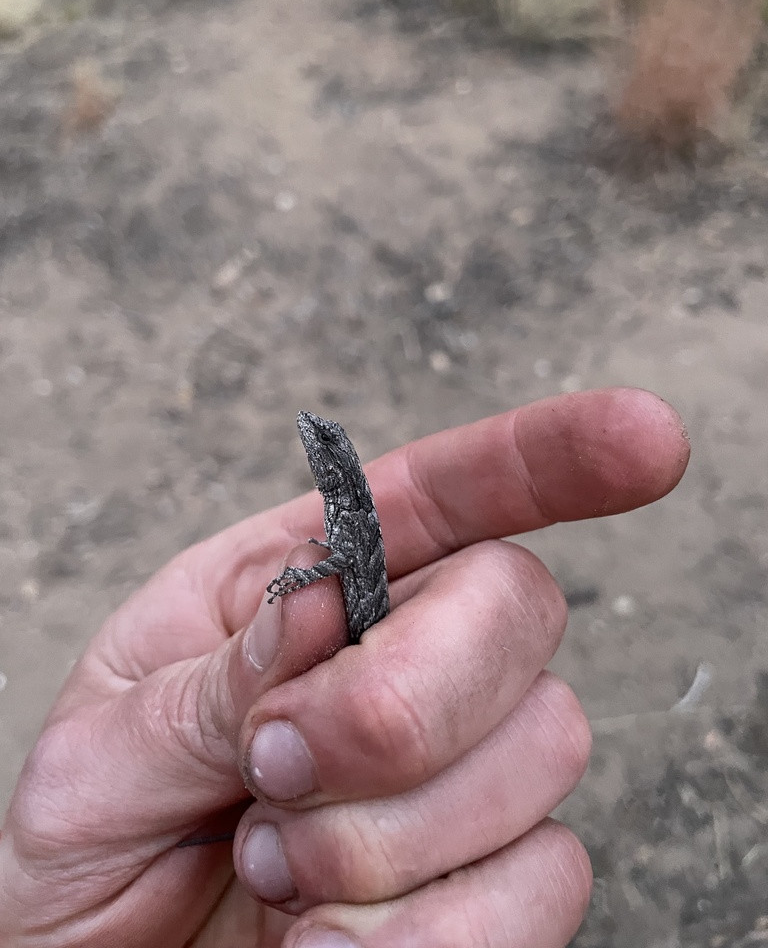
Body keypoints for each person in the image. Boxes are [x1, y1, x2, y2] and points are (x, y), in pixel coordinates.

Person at [0, 388, 689, 948]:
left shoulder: (350, 510)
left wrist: (300, 584)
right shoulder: (346, 511)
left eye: (324, 445)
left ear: (337, 467)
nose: (313, 444)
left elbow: (343, 565)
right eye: (320, 444)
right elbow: (340, 563)